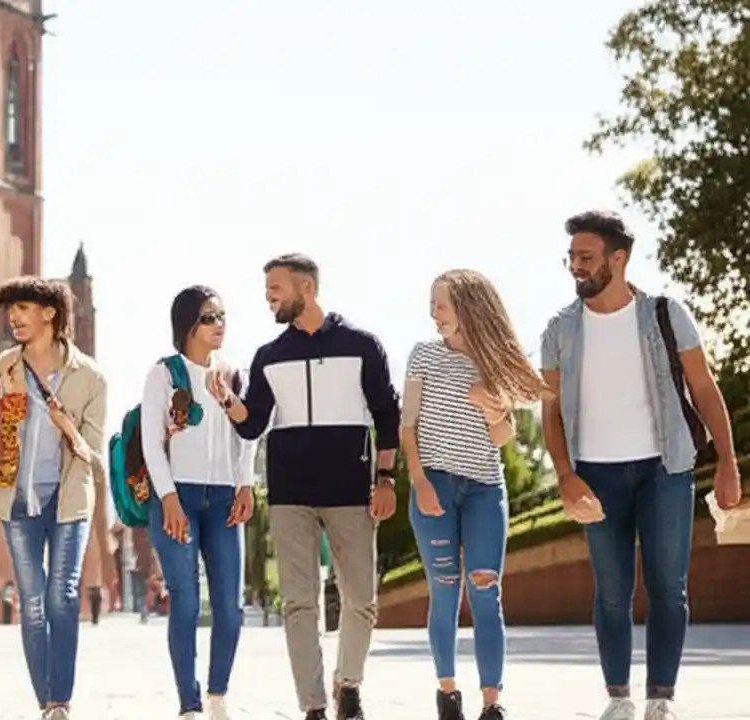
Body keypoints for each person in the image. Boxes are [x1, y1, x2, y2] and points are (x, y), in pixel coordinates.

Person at [540, 211, 742, 720]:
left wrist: (727, 462)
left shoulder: (665, 314)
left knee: (668, 588)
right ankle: (618, 698)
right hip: (596, 475)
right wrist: (565, 474)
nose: (576, 268)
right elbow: (550, 409)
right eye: (571, 258)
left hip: (664, 469)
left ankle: (660, 698)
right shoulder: (560, 329)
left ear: (618, 258)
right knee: (611, 594)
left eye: (586, 257)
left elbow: (703, 387)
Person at [208, 253, 400, 720]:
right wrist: (229, 402)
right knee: (299, 603)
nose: (269, 297)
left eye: (276, 287)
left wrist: (386, 479)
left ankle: (348, 684)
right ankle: (313, 705)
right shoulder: (270, 356)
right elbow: (252, 425)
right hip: (290, 494)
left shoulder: (362, 345)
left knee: (360, 599)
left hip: (351, 492)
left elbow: (387, 415)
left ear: (306, 288)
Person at [0, 277, 108, 720]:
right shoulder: (4, 368)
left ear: (49, 314)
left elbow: (93, 452)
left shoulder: (89, 376)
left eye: (23, 309)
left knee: (63, 594)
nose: (14, 318)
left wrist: (67, 426)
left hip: (69, 501)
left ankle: (61, 699)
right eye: (11, 310)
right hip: (16, 503)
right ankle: (47, 701)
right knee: (32, 600)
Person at [402, 269, 548, 720]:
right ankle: (448, 694)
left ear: (467, 307)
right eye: (432, 305)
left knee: (486, 592)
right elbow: (407, 427)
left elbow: (504, 438)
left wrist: (493, 406)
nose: (433, 314)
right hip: (435, 484)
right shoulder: (423, 356)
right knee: (444, 592)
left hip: (486, 488)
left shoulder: (495, 362)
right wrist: (420, 481)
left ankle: (492, 703)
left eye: (440, 305)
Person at [141, 285, 256, 720]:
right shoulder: (164, 374)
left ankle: (217, 695)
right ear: (187, 324)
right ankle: (188, 703)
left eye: (222, 316)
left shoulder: (235, 375)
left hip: (225, 497)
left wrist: (245, 484)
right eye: (209, 318)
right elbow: (152, 444)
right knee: (185, 600)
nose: (219, 325)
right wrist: (168, 498)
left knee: (229, 604)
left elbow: (249, 434)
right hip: (178, 496)